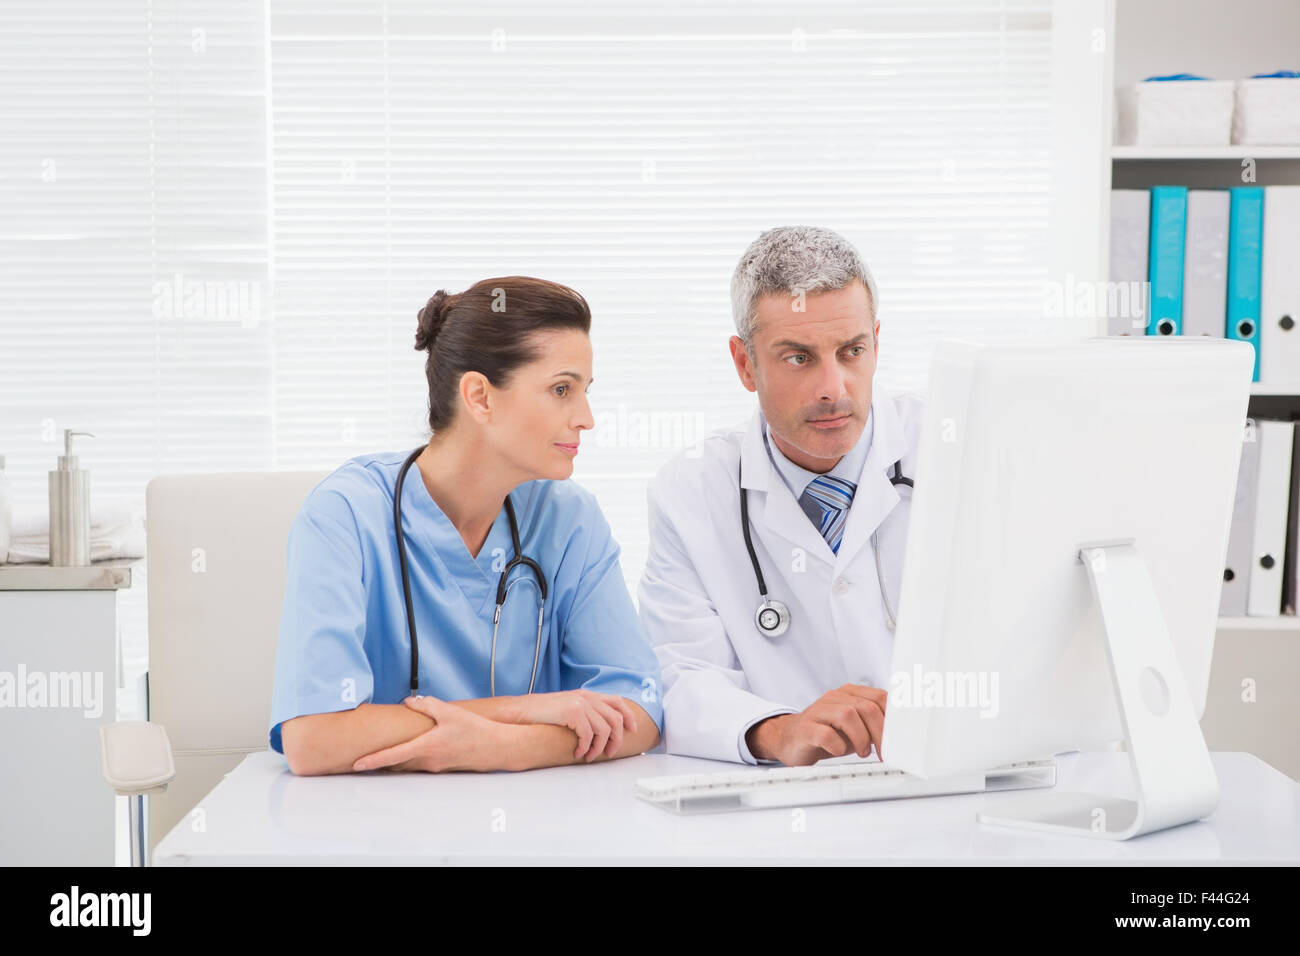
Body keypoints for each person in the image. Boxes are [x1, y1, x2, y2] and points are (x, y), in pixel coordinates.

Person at [269, 276, 663, 775]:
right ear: (479, 396)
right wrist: (522, 710)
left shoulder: (569, 521)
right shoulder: (344, 515)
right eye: (561, 389)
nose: (586, 418)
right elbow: (315, 739)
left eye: (584, 391)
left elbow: (641, 710)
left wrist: (503, 747)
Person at [638, 225, 923, 766]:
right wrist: (779, 730)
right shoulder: (691, 492)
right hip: (783, 805)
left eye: (852, 351)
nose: (834, 388)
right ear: (745, 364)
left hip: (947, 790)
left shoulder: (957, 447)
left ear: (876, 343)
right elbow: (677, 679)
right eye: (798, 358)